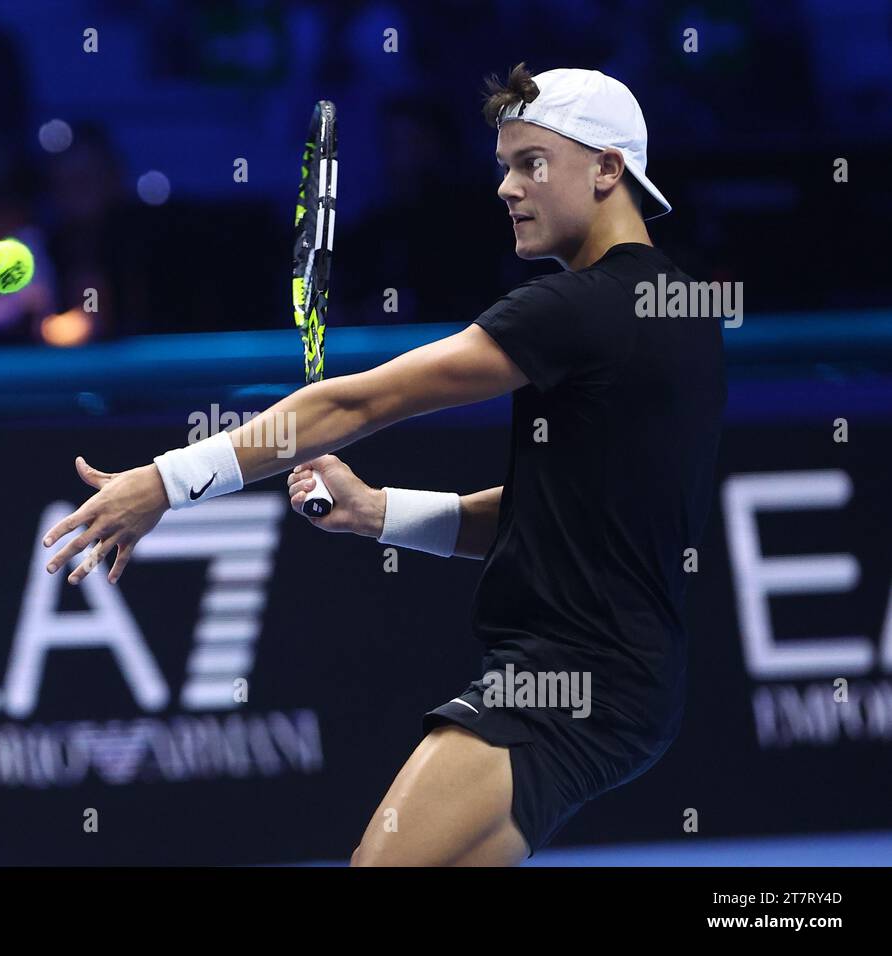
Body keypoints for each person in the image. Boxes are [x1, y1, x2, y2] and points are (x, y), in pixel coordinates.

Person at [41, 65, 725, 865]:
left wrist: (165, 481)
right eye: (503, 164)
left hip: (566, 677)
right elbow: (562, 516)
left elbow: (353, 406)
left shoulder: (574, 312)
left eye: (531, 162)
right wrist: (375, 512)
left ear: (609, 168)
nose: (506, 187)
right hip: (630, 687)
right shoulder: (683, 310)